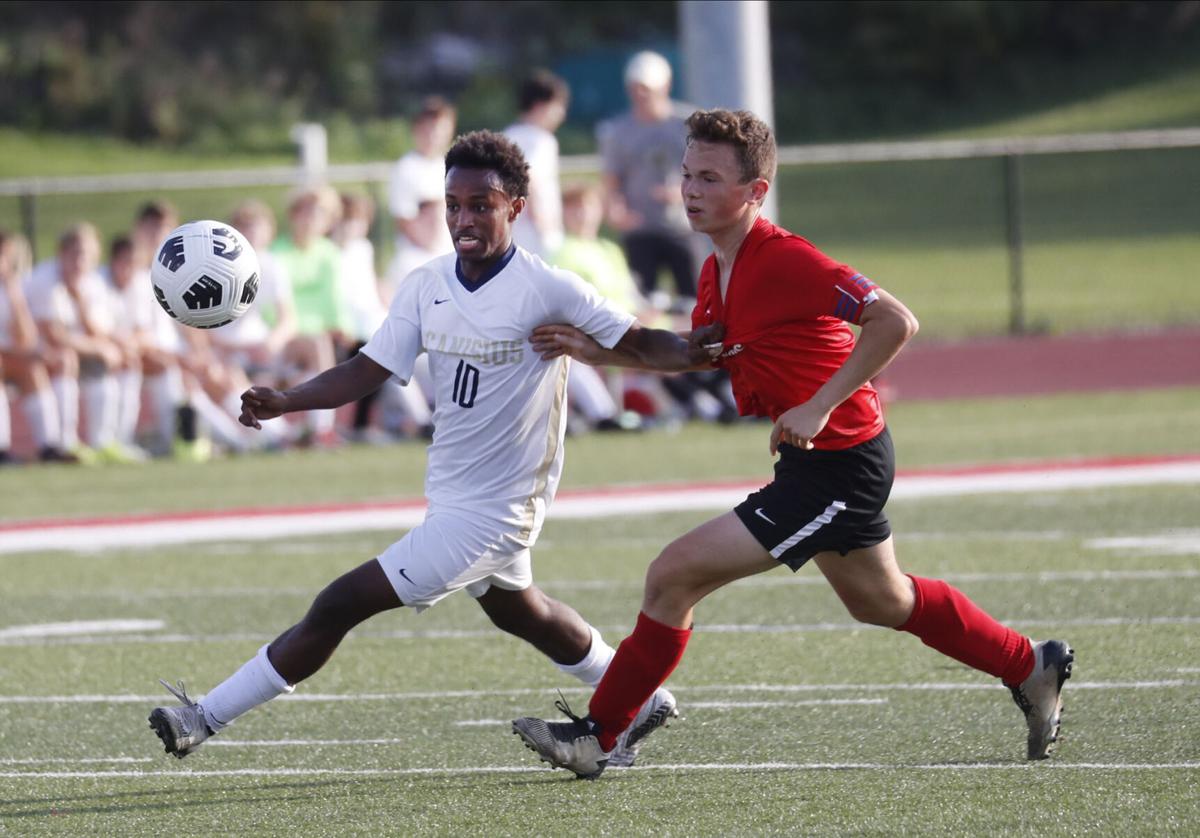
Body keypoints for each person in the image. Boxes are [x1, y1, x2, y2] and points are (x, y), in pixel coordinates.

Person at [512, 109, 1074, 779]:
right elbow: (701, 353)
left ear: (756, 190)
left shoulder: (784, 258)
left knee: (672, 575)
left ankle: (600, 735)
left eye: (710, 177)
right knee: (881, 601)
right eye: (687, 173)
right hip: (824, 463)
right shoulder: (718, 266)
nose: (690, 189)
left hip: (839, 466)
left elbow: (896, 321)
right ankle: (1029, 666)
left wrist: (817, 404)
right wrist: (594, 351)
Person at [147, 130, 677, 768]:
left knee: (338, 604)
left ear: (517, 206)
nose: (463, 218)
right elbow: (368, 368)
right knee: (523, 612)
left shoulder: (548, 287)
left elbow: (644, 343)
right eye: (454, 204)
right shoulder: (426, 283)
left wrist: (714, 345)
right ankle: (641, 698)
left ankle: (202, 717)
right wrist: (288, 400)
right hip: (455, 495)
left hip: (498, 508)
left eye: (482, 203)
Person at [596, 51, 705, 304]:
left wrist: (684, 192)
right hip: (639, 229)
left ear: (665, 86)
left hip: (683, 227)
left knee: (695, 301)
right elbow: (612, 179)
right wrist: (616, 211)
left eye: (647, 89)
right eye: (636, 88)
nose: (641, 95)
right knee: (645, 303)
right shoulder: (618, 130)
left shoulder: (688, 124)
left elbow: (708, 169)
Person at [0, 229, 74, 464]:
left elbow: (24, 338)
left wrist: (14, 295)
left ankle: (49, 446)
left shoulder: (13, 287)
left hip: (9, 355)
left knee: (33, 369)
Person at [385, 96, 457, 288]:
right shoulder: (406, 169)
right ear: (417, 130)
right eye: (429, 130)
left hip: (451, 255)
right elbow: (404, 220)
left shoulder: (451, 167)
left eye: (441, 130)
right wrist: (433, 250)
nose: (434, 136)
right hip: (417, 258)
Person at [504, 69, 570, 257]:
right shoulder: (541, 141)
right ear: (541, 106)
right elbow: (531, 181)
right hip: (536, 236)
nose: (562, 114)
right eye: (558, 106)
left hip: (511, 234)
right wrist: (547, 231)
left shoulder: (507, 137)